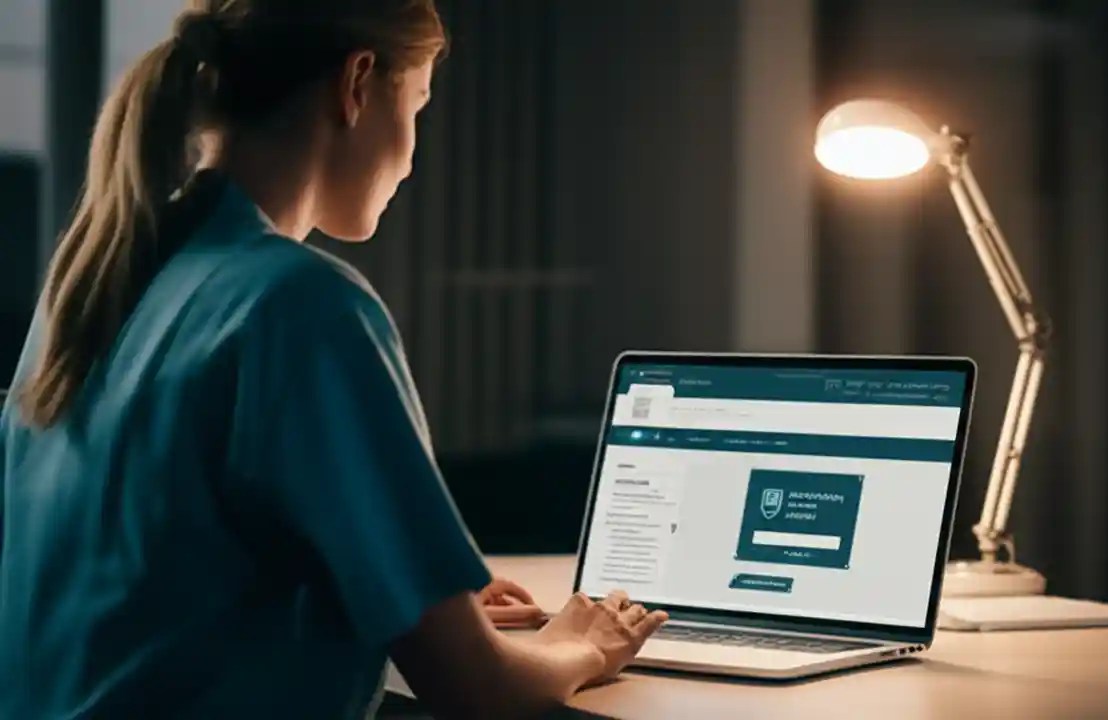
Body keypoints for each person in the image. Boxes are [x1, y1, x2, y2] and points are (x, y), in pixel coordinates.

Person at [0, 2, 665, 718]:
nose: (412, 158)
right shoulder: (301, 305)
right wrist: (586, 643)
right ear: (356, 84)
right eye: (417, 107)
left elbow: (158, 573)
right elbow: (478, 689)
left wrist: (420, 595)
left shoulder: (92, 289)